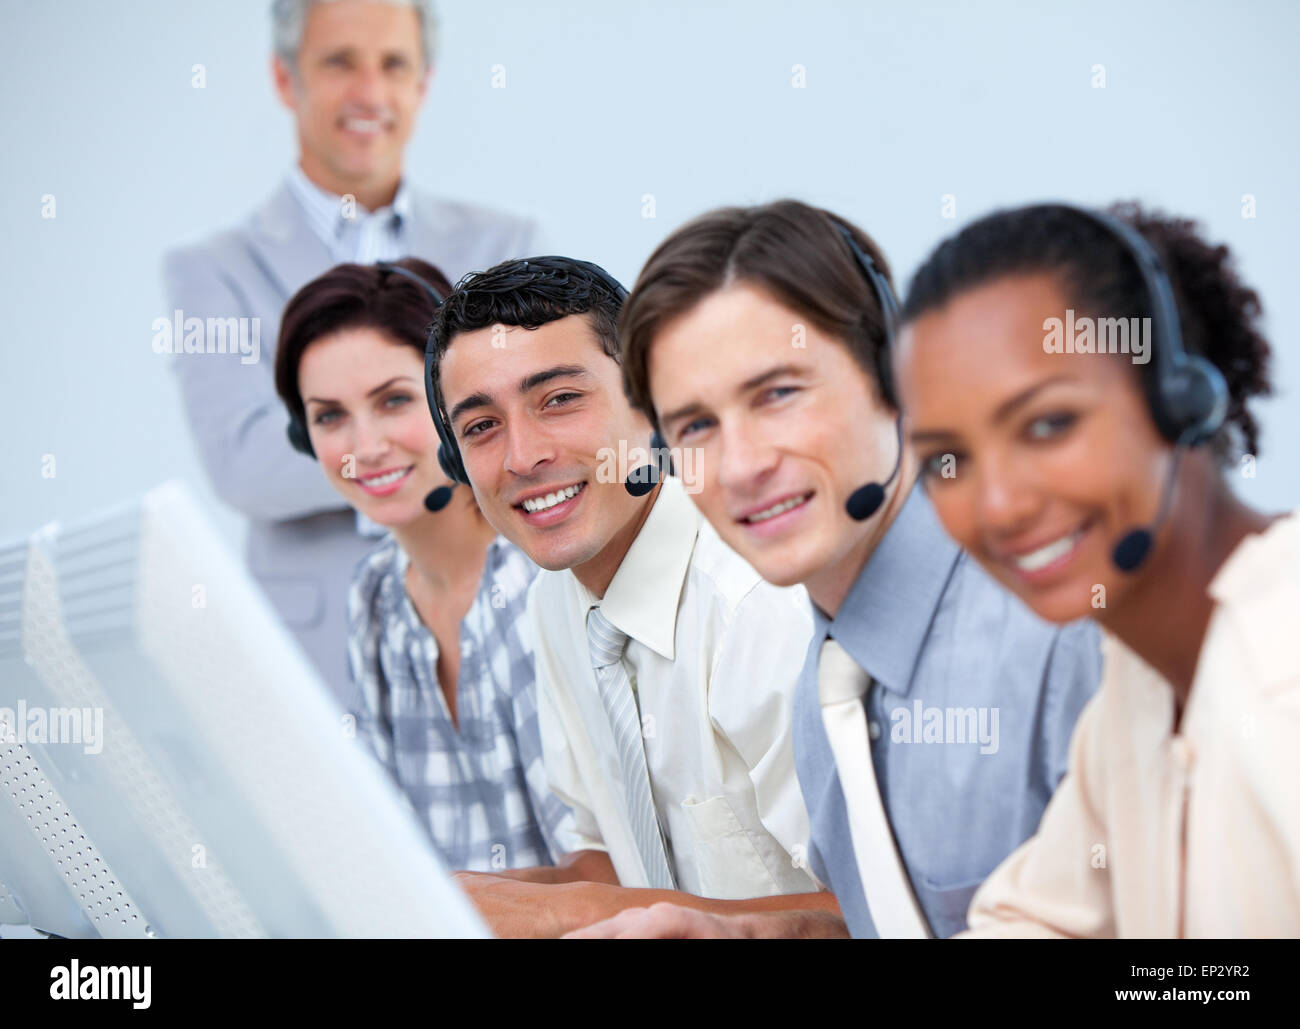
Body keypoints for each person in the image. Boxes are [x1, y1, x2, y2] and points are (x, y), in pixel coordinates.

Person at [571, 199, 1102, 939]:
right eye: (696, 426)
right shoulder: (825, 698)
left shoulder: (1062, 628)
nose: (743, 465)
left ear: (897, 376)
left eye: (778, 393)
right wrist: (744, 934)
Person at [893, 201, 1296, 936]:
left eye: (1048, 424)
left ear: (1183, 401)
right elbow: (1037, 921)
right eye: (946, 460)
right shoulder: (1141, 685)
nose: (1000, 505)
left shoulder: (1282, 672)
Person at [425, 255, 836, 937]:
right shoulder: (554, 604)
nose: (522, 456)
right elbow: (608, 866)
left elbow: (880, 912)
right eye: (480, 427)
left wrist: (567, 910)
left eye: (558, 399)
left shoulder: (760, 606)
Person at [163, 0, 536, 709]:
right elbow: (245, 467)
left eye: (393, 65)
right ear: (284, 79)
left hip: (492, 616)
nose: (369, 92)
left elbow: (524, 425)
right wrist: (431, 449)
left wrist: (370, 452)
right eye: (339, 62)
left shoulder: (502, 244)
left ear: (421, 86)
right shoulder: (212, 269)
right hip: (316, 648)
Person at [273, 257, 573, 872]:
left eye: (394, 401)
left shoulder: (545, 576)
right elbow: (396, 845)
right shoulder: (376, 596)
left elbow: (609, 871)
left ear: (453, 408)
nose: (364, 448)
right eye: (329, 416)